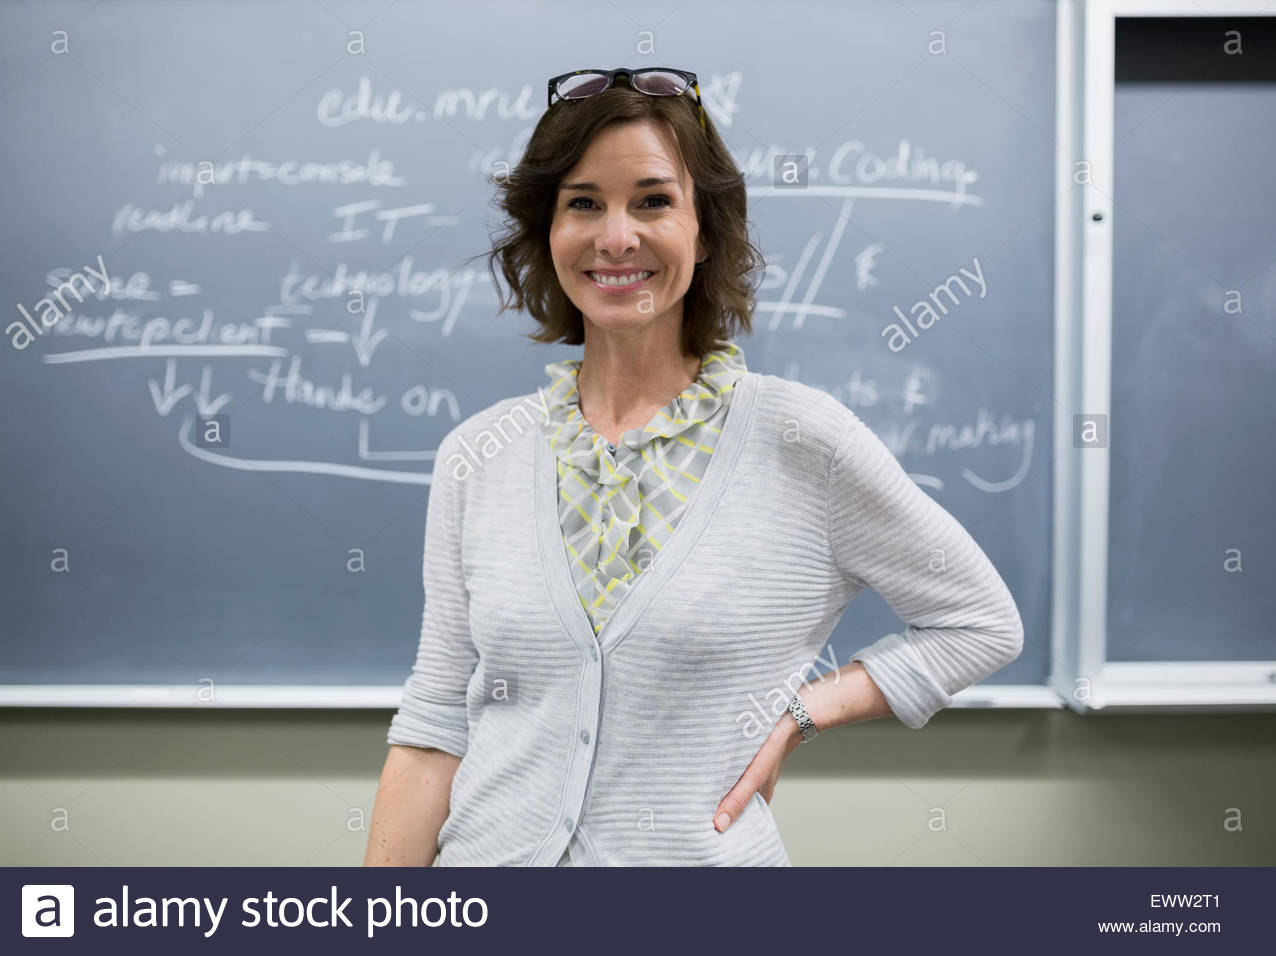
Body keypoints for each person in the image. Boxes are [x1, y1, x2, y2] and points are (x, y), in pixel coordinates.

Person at [364, 68, 1023, 867]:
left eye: (652, 200)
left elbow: (981, 622)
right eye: (583, 203)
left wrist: (803, 714)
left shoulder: (801, 440)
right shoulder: (478, 456)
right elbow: (435, 729)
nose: (615, 237)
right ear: (547, 228)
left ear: (705, 229)